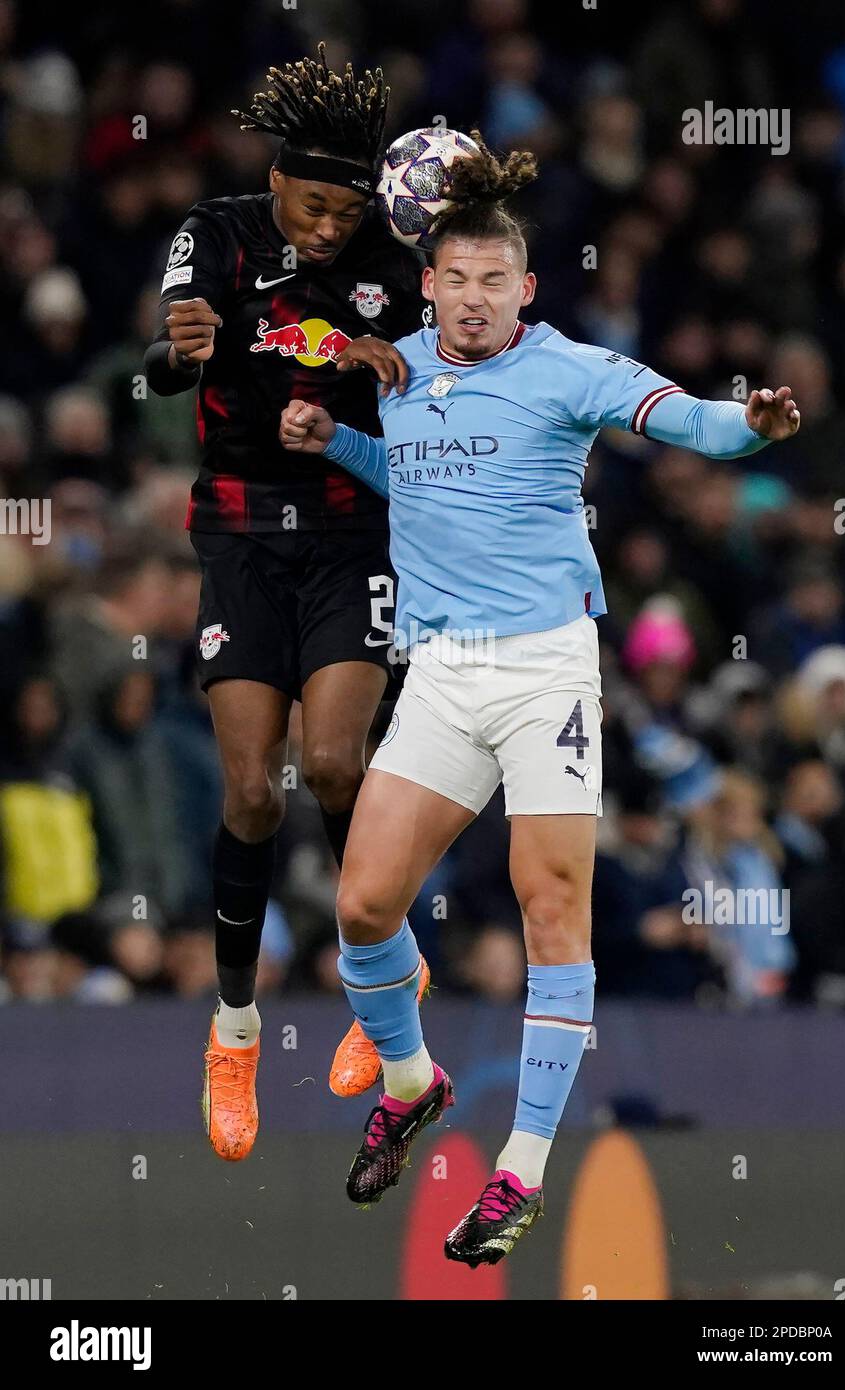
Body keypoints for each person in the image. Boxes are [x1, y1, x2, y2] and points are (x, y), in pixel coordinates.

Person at [279, 135, 800, 1265]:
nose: (474, 298)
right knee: (363, 906)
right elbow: (419, 475)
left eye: (495, 280)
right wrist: (339, 443)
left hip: (545, 672)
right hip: (440, 672)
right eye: (456, 279)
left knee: (549, 903)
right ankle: (411, 1082)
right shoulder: (398, 369)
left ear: (527, 289)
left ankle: (522, 1167)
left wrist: (747, 425)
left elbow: (684, 418)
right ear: (428, 282)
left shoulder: (568, 368)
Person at [144, 46, 429, 1163]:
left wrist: (398, 363)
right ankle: (235, 1029)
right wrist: (180, 354)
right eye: (313, 205)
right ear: (276, 182)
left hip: (353, 530)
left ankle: (382, 986)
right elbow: (164, 363)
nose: (328, 227)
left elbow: (445, 384)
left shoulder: (396, 260)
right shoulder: (215, 236)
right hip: (241, 532)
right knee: (255, 790)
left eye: (347, 211)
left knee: (339, 765)